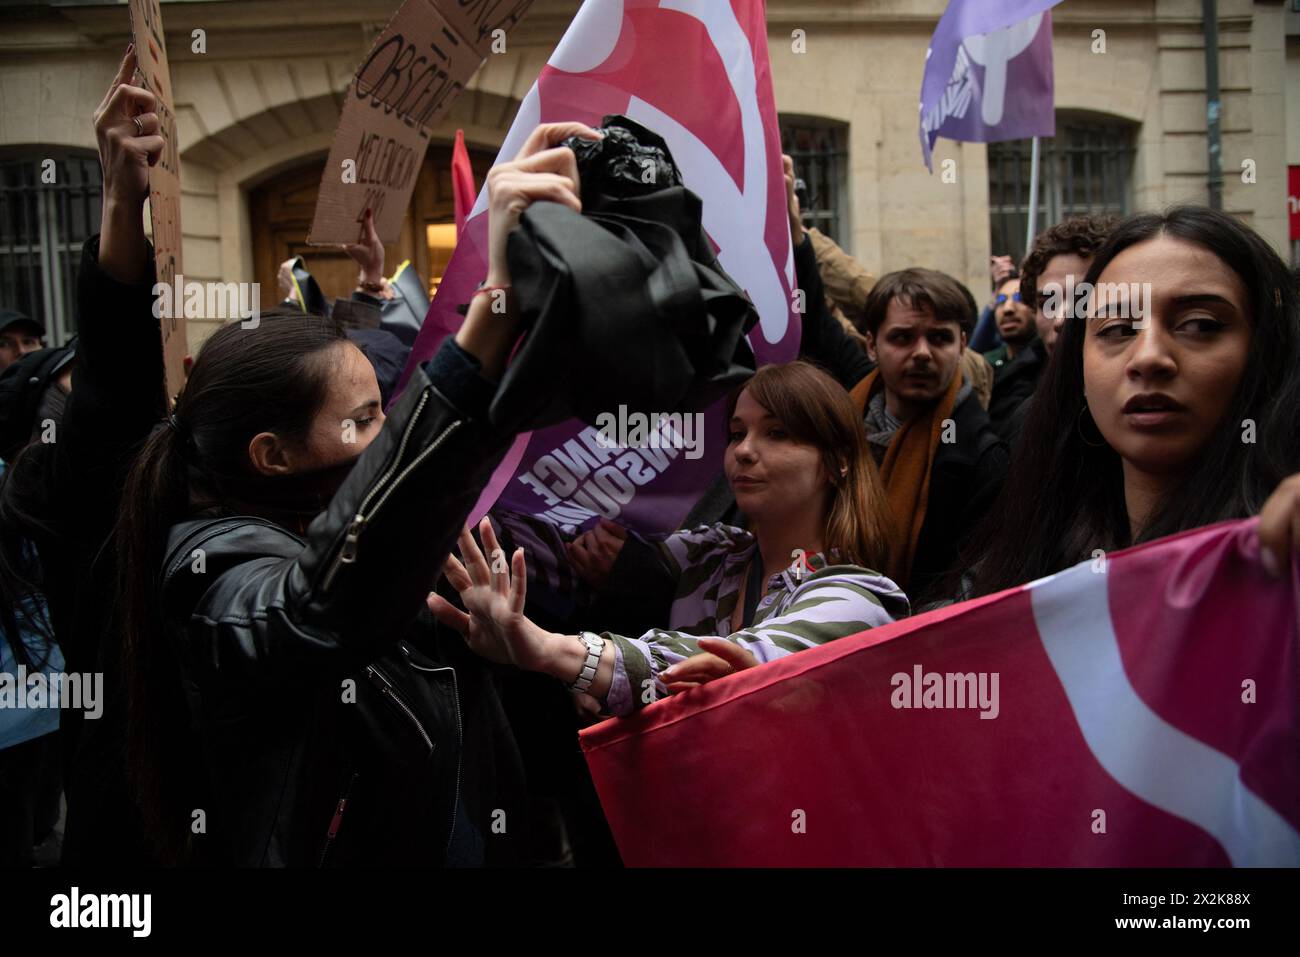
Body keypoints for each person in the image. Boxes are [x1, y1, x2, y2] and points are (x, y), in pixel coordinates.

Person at [431, 361, 907, 716]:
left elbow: (739, 664)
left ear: (838, 460)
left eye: (779, 434)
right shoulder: (715, 555)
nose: (744, 451)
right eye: (737, 433)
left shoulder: (859, 597)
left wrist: (553, 651)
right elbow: (561, 551)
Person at [966, 206, 1300, 598]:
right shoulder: (1031, 549)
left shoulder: (1285, 563)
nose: (1149, 357)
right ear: (1079, 366)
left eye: (1199, 324)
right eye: (1118, 329)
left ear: (1268, 348)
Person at [851, 268, 1009, 594]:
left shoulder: (983, 459)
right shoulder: (836, 432)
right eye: (902, 337)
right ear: (871, 345)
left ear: (962, 345)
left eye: (939, 338)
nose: (922, 353)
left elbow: (974, 586)